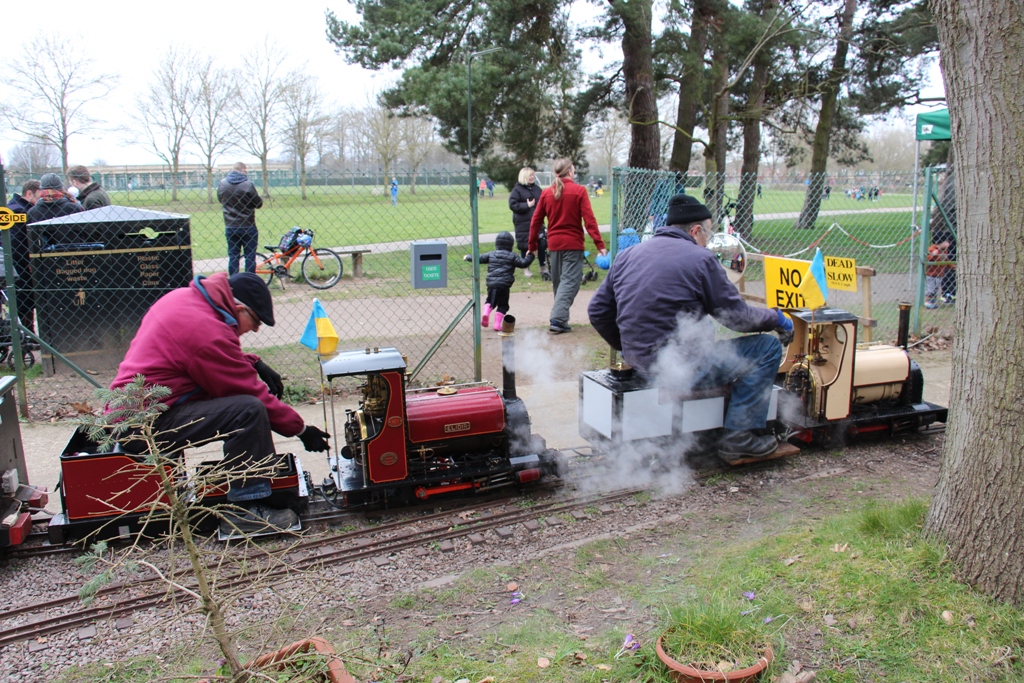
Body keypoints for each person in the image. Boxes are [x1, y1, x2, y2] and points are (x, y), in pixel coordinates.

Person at [111, 272, 331, 534]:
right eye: (256, 322)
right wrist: (301, 430)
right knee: (247, 411)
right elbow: (246, 387)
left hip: (138, 414)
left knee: (244, 407)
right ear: (238, 309)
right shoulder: (205, 332)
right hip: (145, 426)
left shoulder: (185, 299)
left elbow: (202, 353)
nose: (256, 329)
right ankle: (248, 511)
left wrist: (253, 361)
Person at [588, 193, 793, 462]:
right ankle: (740, 436)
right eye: (707, 234)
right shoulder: (701, 259)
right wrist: (776, 318)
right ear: (696, 230)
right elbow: (736, 318)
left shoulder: (628, 255)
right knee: (765, 348)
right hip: (683, 368)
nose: (707, 241)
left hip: (640, 364)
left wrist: (626, 347)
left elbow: (597, 311)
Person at [528, 159, 607, 334]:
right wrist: (599, 244)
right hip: (573, 244)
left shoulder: (548, 193)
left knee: (559, 282)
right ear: (570, 172)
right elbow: (589, 220)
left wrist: (532, 244)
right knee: (570, 281)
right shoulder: (579, 191)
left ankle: (561, 319)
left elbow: (536, 221)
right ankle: (558, 318)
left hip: (554, 245)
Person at [464, 231, 533, 331]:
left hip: (492, 284)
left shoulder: (491, 254)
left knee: (490, 301)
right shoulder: (513, 256)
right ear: (511, 245)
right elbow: (523, 263)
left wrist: (468, 257)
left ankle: (486, 312)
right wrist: (531, 255)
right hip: (504, 285)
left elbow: (478, 258)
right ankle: (497, 324)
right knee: (503, 305)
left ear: (497, 243)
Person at [218, 162, 263, 276]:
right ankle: (249, 280)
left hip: (230, 224)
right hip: (247, 224)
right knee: (250, 256)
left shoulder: (223, 184)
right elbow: (258, 203)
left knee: (233, 255)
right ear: (243, 169)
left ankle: (234, 281)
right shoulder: (247, 184)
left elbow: (220, 198)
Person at [508, 167, 545, 278]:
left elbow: (543, 202)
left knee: (541, 244)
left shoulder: (537, 189)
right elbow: (512, 205)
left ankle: (543, 266)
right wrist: (526, 205)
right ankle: (526, 267)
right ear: (524, 176)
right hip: (523, 223)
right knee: (525, 244)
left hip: (538, 221)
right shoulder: (517, 190)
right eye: (530, 175)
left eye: (533, 175)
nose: (532, 177)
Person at [925, 243, 948, 309]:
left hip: (939, 274)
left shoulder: (944, 251)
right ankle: (928, 302)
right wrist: (933, 254)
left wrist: (952, 266)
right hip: (931, 274)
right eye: (946, 242)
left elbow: (946, 260)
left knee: (935, 289)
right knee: (930, 289)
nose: (948, 244)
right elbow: (928, 258)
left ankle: (933, 302)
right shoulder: (932, 249)